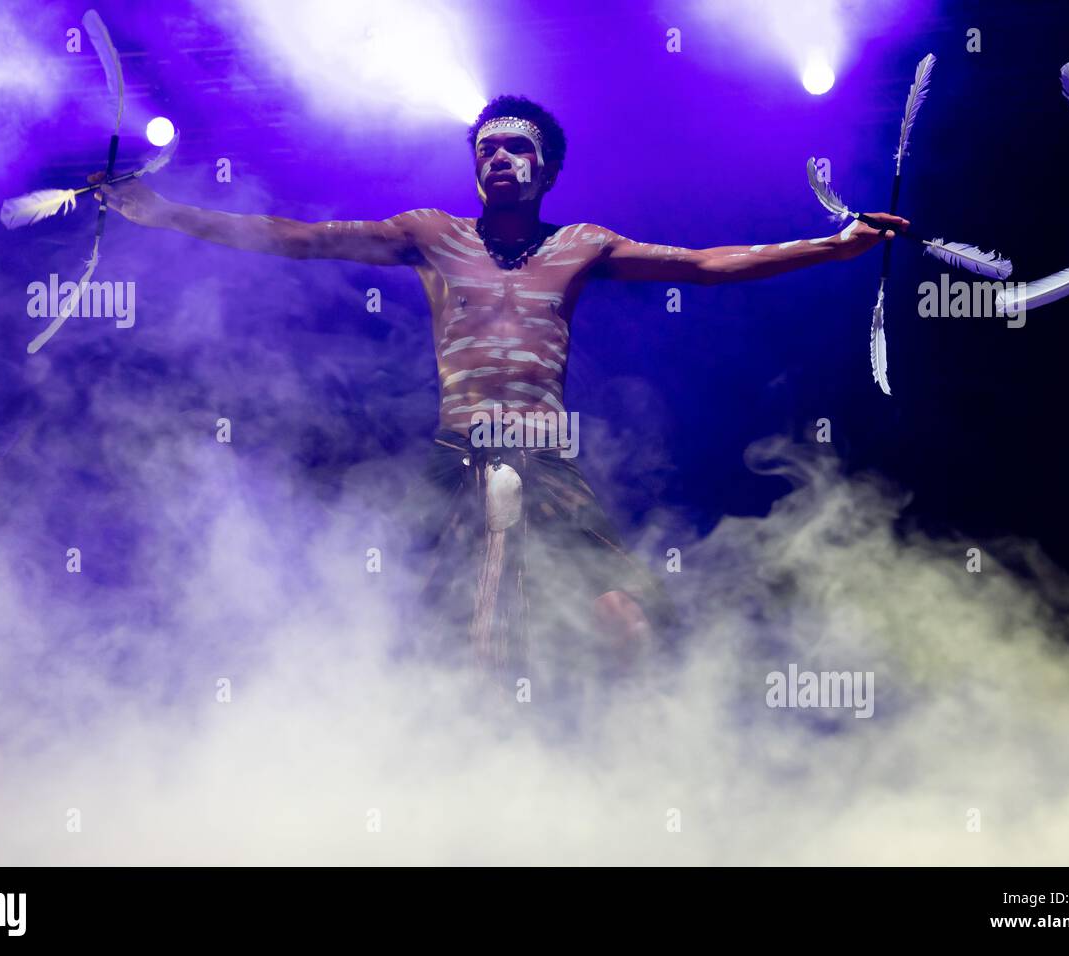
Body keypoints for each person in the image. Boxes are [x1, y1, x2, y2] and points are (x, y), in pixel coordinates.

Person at [90, 94, 908, 681]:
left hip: (547, 451)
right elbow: (300, 237)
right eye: (485, 149)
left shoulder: (581, 244)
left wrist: (832, 249)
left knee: (621, 610)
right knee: (467, 604)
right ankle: (472, 750)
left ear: (545, 168)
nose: (499, 159)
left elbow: (700, 266)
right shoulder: (431, 236)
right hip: (463, 448)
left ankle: (632, 755)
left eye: (516, 149)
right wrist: (168, 214)